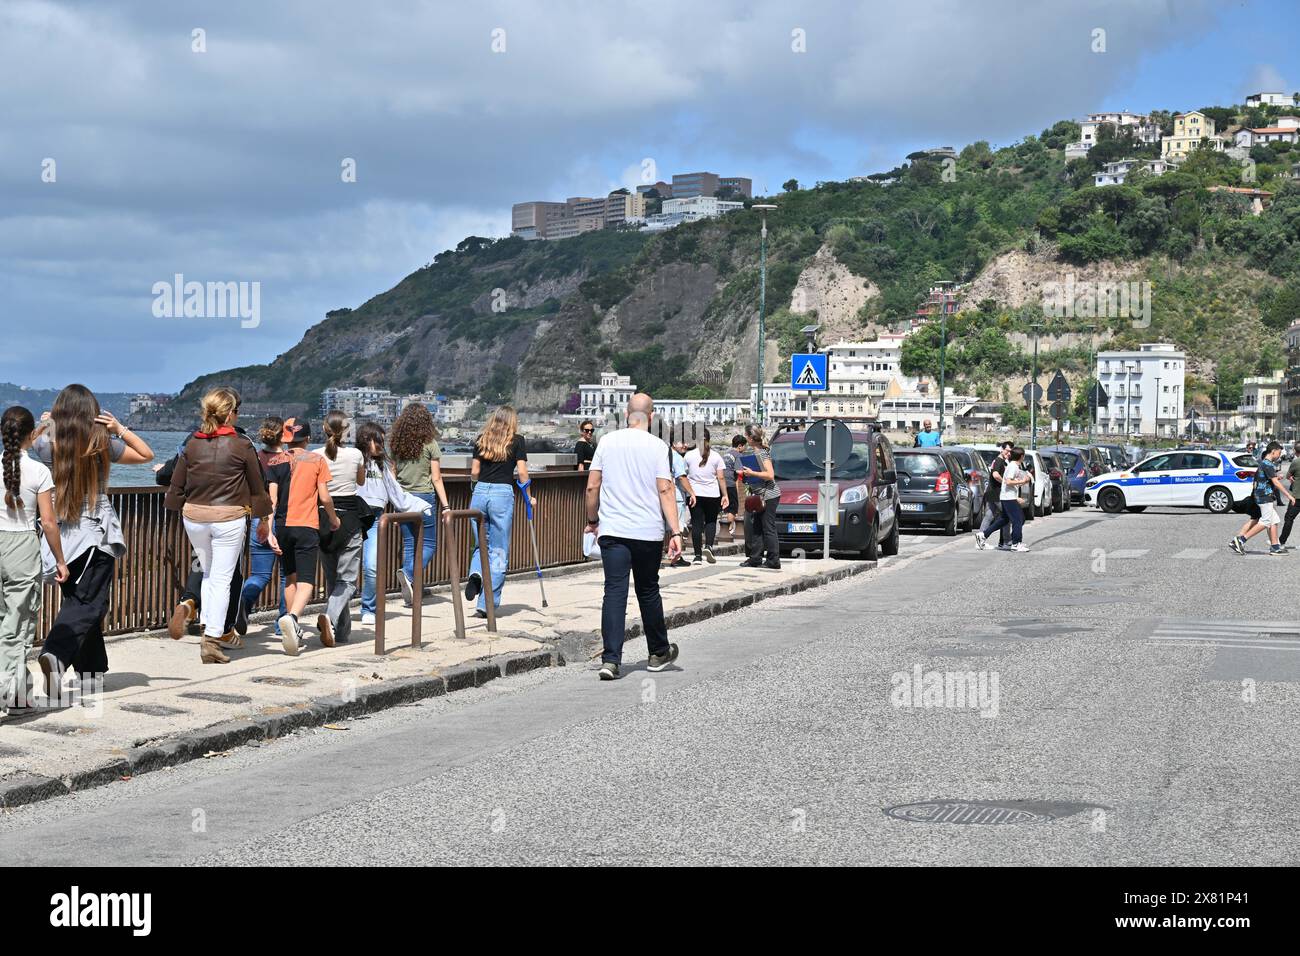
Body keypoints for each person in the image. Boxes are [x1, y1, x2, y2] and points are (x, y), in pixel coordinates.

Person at [33, 385, 154, 697]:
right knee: (89, 603)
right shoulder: (103, 443)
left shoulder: (48, 445)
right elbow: (146, 455)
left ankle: (90, 674)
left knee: (82, 603)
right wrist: (120, 428)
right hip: (95, 534)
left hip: (60, 537)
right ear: (93, 412)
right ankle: (56, 655)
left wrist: (47, 425)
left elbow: (30, 440)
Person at [165, 387, 272, 663]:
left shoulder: (192, 443)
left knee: (210, 574)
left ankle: (204, 623)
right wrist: (265, 518)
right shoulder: (242, 444)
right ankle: (212, 638)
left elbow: (176, 484)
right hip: (229, 518)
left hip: (195, 519)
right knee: (222, 579)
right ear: (231, 414)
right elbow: (257, 486)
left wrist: (175, 510)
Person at [584, 392, 683, 681]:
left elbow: (592, 486)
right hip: (647, 532)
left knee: (614, 591)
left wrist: (592, 520)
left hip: (613, 531)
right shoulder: (657, 446)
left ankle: (611, 660)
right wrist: (675, 531)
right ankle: (658, 652)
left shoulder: (607, 441)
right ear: (651, 417)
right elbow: (665, 489)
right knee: (648, 590)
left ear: (627, 414)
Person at [0, 406, 68, 713]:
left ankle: (18, 695)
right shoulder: (39, 471)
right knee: (17, 626)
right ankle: (7, 694)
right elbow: (49, 523)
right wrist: (61, 560)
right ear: (31, 434)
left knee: (5, 622)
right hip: (22, 547)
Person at [268, 419, 340, 654]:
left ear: (287, 438)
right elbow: (325, 497)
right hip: (306, 525)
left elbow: (272, 500)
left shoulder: (275, 461)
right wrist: (333, 518)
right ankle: (293, 618)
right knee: (307, 580)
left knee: (289, 578)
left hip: (282, 526)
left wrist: (268, 530)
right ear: (308, 438)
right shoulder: (317, 460)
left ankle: (291, 626)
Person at [312, 410, 370, 644]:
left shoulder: (315, 456)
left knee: (332, 580)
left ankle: (341, 632)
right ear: (345, 431)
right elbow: (361, 481)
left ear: (325, 429)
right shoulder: (355, 454)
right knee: (347, 581)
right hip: (349, 519)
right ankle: (330, 615)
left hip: (322, 518)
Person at [467, 406, 531, 618]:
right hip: (502, 493)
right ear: (512, 421)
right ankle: (486, 605)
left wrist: (476, 489)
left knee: (480, 543)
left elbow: (475, 471)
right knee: (499, 550)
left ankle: (475, 573)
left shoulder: (481, 438)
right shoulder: (517, 440)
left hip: (480, 492)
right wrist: (528, 497)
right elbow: (522, 473)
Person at [389, 404, 451, 606]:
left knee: (409, 544)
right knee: (429, 545)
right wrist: (446, 506)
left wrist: (393, 503)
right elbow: (437, 478)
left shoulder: (397, 444)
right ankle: (409, 574)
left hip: (404, 499)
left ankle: (410, 593)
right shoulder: (430, 444)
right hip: (424, 498)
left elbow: (393, 476)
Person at [237, 416, 289, 635]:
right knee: (288, 576)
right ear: (283, 435)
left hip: (258, 517)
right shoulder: (290, 460)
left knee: (260, 575)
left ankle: (241, 606)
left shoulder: (255, 458)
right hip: (284, 519)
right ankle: (283, 625)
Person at [1231, 441, 1294, 556]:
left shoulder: (1264, 463)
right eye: (1279, 453)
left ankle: (1275, 547)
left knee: (1274, 521)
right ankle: (1241, 540)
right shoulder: (1268, 464)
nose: (1279, 455)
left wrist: (1275, 478)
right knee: (1265, 521)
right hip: (1265, 497)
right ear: (1273, 451)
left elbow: (1266, 480)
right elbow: (1275, 483)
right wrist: (1289, 495)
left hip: (1262, 496)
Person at [736, 423, 781, 569]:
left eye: (746, 435)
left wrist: (752, 473)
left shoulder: (761, 453)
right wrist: (746, 476)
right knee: (756, 527)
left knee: (768, 528)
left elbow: (770, 475)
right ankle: (755, 558)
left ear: (750, 438)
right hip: (760, 494)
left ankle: (773, 560)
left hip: (769, 495)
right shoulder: (759, 452)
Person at [684, 428, 728, 564]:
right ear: (709, 439)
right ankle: (708, 546)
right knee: (710, 521)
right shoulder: (716, 456)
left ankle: (697, 556)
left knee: (696, 523)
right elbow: (721, 478)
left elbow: (684, 475)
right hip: (712, 494)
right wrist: (725, 495)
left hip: (694, 494)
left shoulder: (689, 456)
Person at [980, 446, 1031, 552]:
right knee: (1018, 520)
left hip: (1007, 497)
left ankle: (983, 535)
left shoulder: (1012, 466)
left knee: (1004, 520)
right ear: (1022, 456)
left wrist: (1022, 481)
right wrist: (1022, 481)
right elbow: (1008, 481)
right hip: (1008, 498)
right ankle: (1016, 543)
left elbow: (1010, 482)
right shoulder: (1013, 466)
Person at [974, 441, 1013, 550]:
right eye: (1007, 451)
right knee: (1007, 516)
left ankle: (980, 540)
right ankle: (1006, 542)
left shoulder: (1001, 461)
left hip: (991, 492)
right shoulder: (999, 461)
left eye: (1010, 452)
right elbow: (995, 475)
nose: (1009, 453)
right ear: (1002, 449)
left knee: (989, 516)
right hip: (996, 492)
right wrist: (1005, 482)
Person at [666, 439, 693, 568]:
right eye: (682, 442)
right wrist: (692, 493)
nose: (685, 445)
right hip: (677, 496)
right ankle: (676, 555)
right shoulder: (676, 457)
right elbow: (681, 477)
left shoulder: (665, 454)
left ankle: (668, 553)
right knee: (678, 527)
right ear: (673, 443)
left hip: (667, 495)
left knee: (668, 527)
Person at [721, 434, 745, 538]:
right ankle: (729, 529)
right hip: (730, 483)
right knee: (732, 508)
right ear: (740, 446)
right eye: (745, 446)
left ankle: (724, 528)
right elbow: (739, 471)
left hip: (720, 482)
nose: (745, 449)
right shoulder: (738, 455)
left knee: (724, 507)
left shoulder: (726, 454)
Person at [1277, 442, 1300, 549]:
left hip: (1297, 496)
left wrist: (1292, 479)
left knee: (1289, 518)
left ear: (1295, 452)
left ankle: (1281, 542)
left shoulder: (1296, 462)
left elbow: (1288, 475)